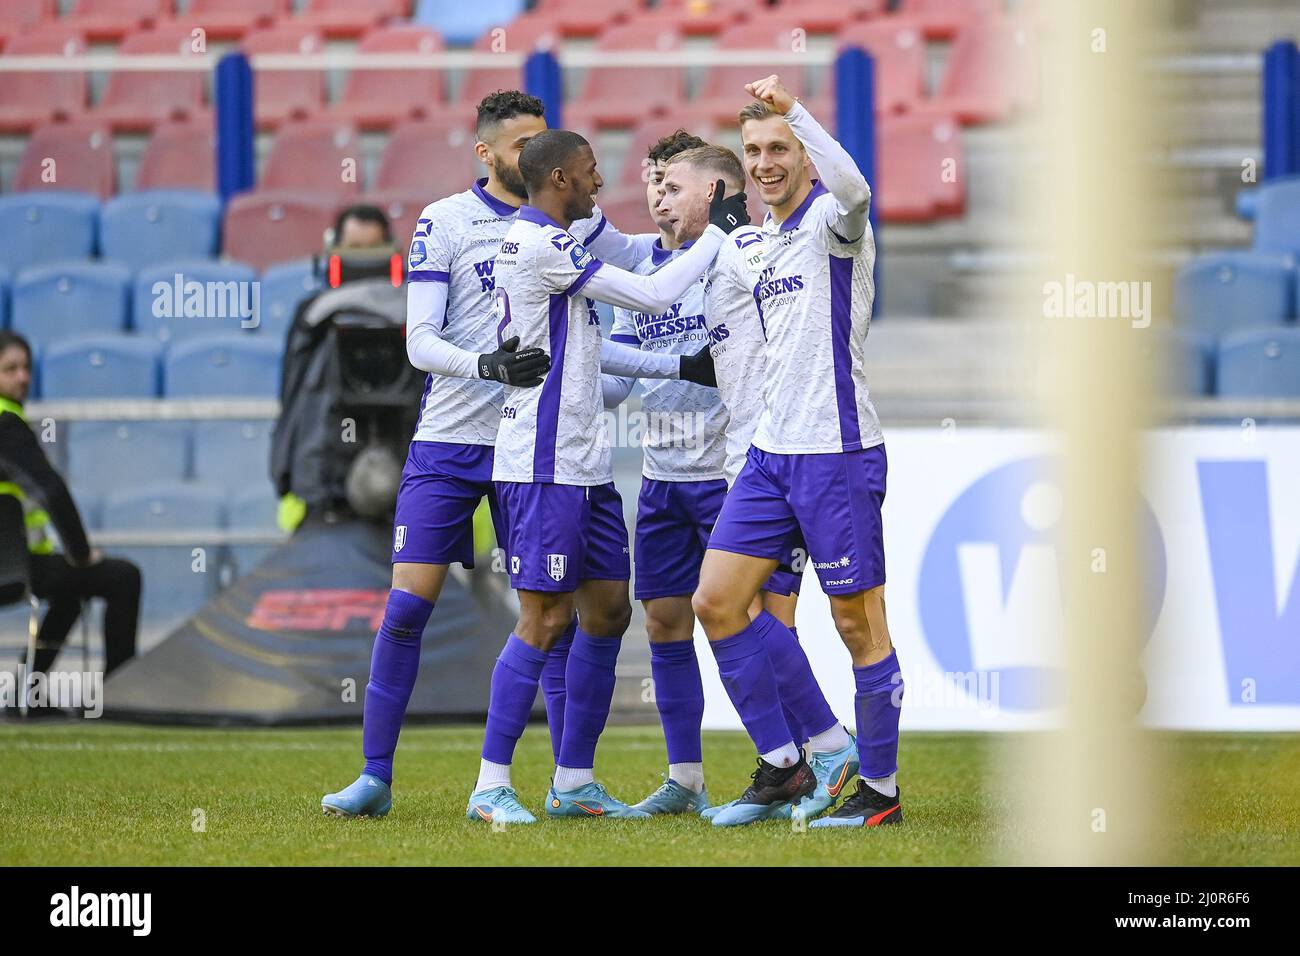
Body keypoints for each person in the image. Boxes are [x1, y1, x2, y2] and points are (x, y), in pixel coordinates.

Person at [321, 91, 712, 819]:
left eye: (543, 139)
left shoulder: (576, 225)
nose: (534, 150)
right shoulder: (446, 222)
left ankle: (570, 778)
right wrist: (486, 367)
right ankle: (378, 774)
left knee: (569, 612)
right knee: (410, 607)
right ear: (488, 152)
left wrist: (674, 354)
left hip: (535, 444)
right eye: (521, 141)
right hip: (457, 437)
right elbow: (419, 342)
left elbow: (619, 303)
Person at [467, 127, 748, 823]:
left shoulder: (558, 245)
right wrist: (724, 226)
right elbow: (653, 298)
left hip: (587, 468)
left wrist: (681, 366)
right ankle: (490, 784)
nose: (603, 186)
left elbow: (600, 356)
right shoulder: (541, 244)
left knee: (608, 612)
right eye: (591, 173)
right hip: (543, 464)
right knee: (543, 618)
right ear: (560, 179)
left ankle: (572, 780)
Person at [601, 136, 855, 819]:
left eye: (673, 186)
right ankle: (687, 777)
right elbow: (620, 382)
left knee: (746, 614)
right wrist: (567, 380)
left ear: (714, 194)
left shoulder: (737, 260)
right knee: (664, 623)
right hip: (661, 476)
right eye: (653, 185)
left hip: (733, 471)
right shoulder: (643, 278)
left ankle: (805, 756)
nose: (658, 196)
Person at [690, 76, 904, 829]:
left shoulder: (833, 225)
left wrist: (797, 114)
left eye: (777, 148)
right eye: (753, 150)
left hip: (836, 453)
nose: (764, 161)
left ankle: (880, 792)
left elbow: (856, 185)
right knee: (715, 602)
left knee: (856, 623)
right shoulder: (759, 243)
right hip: (769, 454)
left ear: (805, 157)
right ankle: (803, 756)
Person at [0, 331, 142, 688]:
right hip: (12, 567)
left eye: (26, 368)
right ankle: (119, 692)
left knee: (69, 593)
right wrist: (80, 552)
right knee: (123, 577)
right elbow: (50, 488)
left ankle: (24, 693)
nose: (23, 378)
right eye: (10, 369)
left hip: (17, 563)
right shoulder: (6, 422)